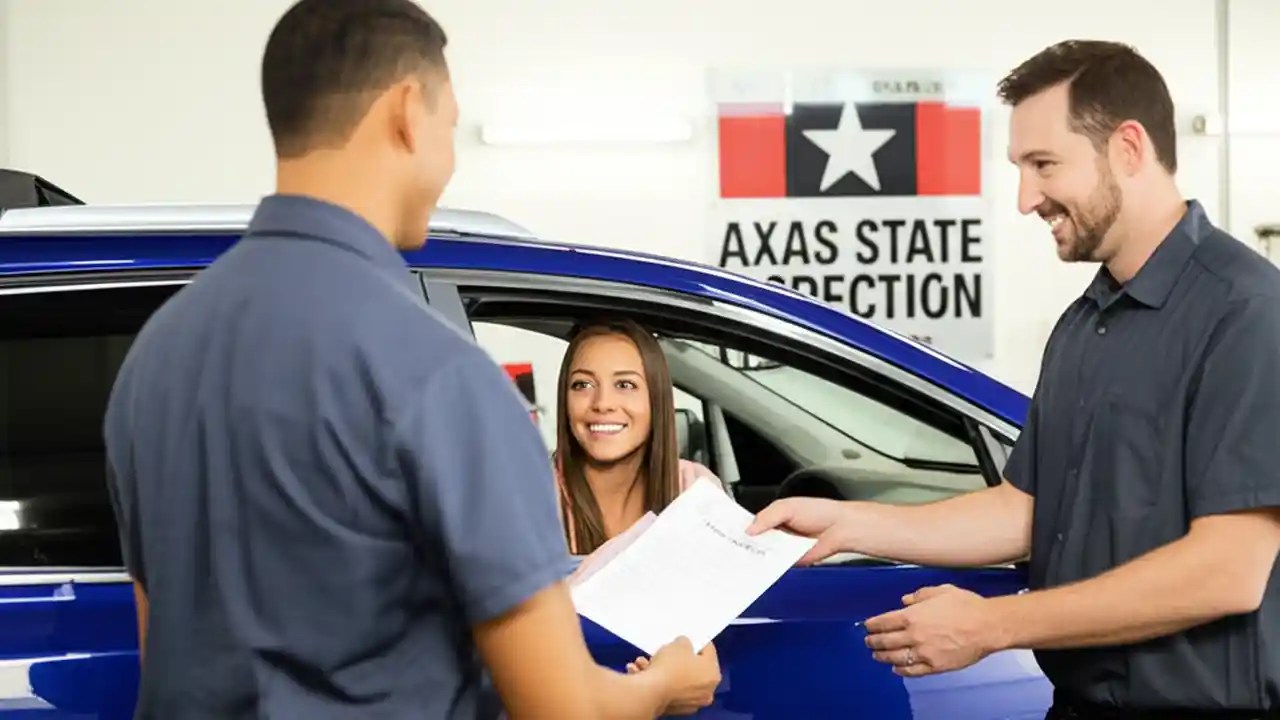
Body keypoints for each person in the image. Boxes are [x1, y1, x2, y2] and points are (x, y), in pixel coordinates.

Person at [101, 1, 719, 718]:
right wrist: (665, 684)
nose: (450, 158)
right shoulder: (438, 375)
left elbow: (165, 644)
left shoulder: (154, 359)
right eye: (450, 126)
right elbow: (562, 708)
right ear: (405, 113)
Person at [746, 39, 1280, 719]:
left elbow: (1227, 572)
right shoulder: (1085, 324)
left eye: (1044, 164)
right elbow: (1026, 510)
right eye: (1020, 168)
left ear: (1128, 147)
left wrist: (992, 625)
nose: (1027, 198)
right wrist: (849, 524)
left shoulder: (1247, 312)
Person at [549, 320, 725, 577]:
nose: (603, 404)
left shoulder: (693, 486)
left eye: (625, 385)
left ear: (657, 399)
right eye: (583, 385)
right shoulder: (528, 496)